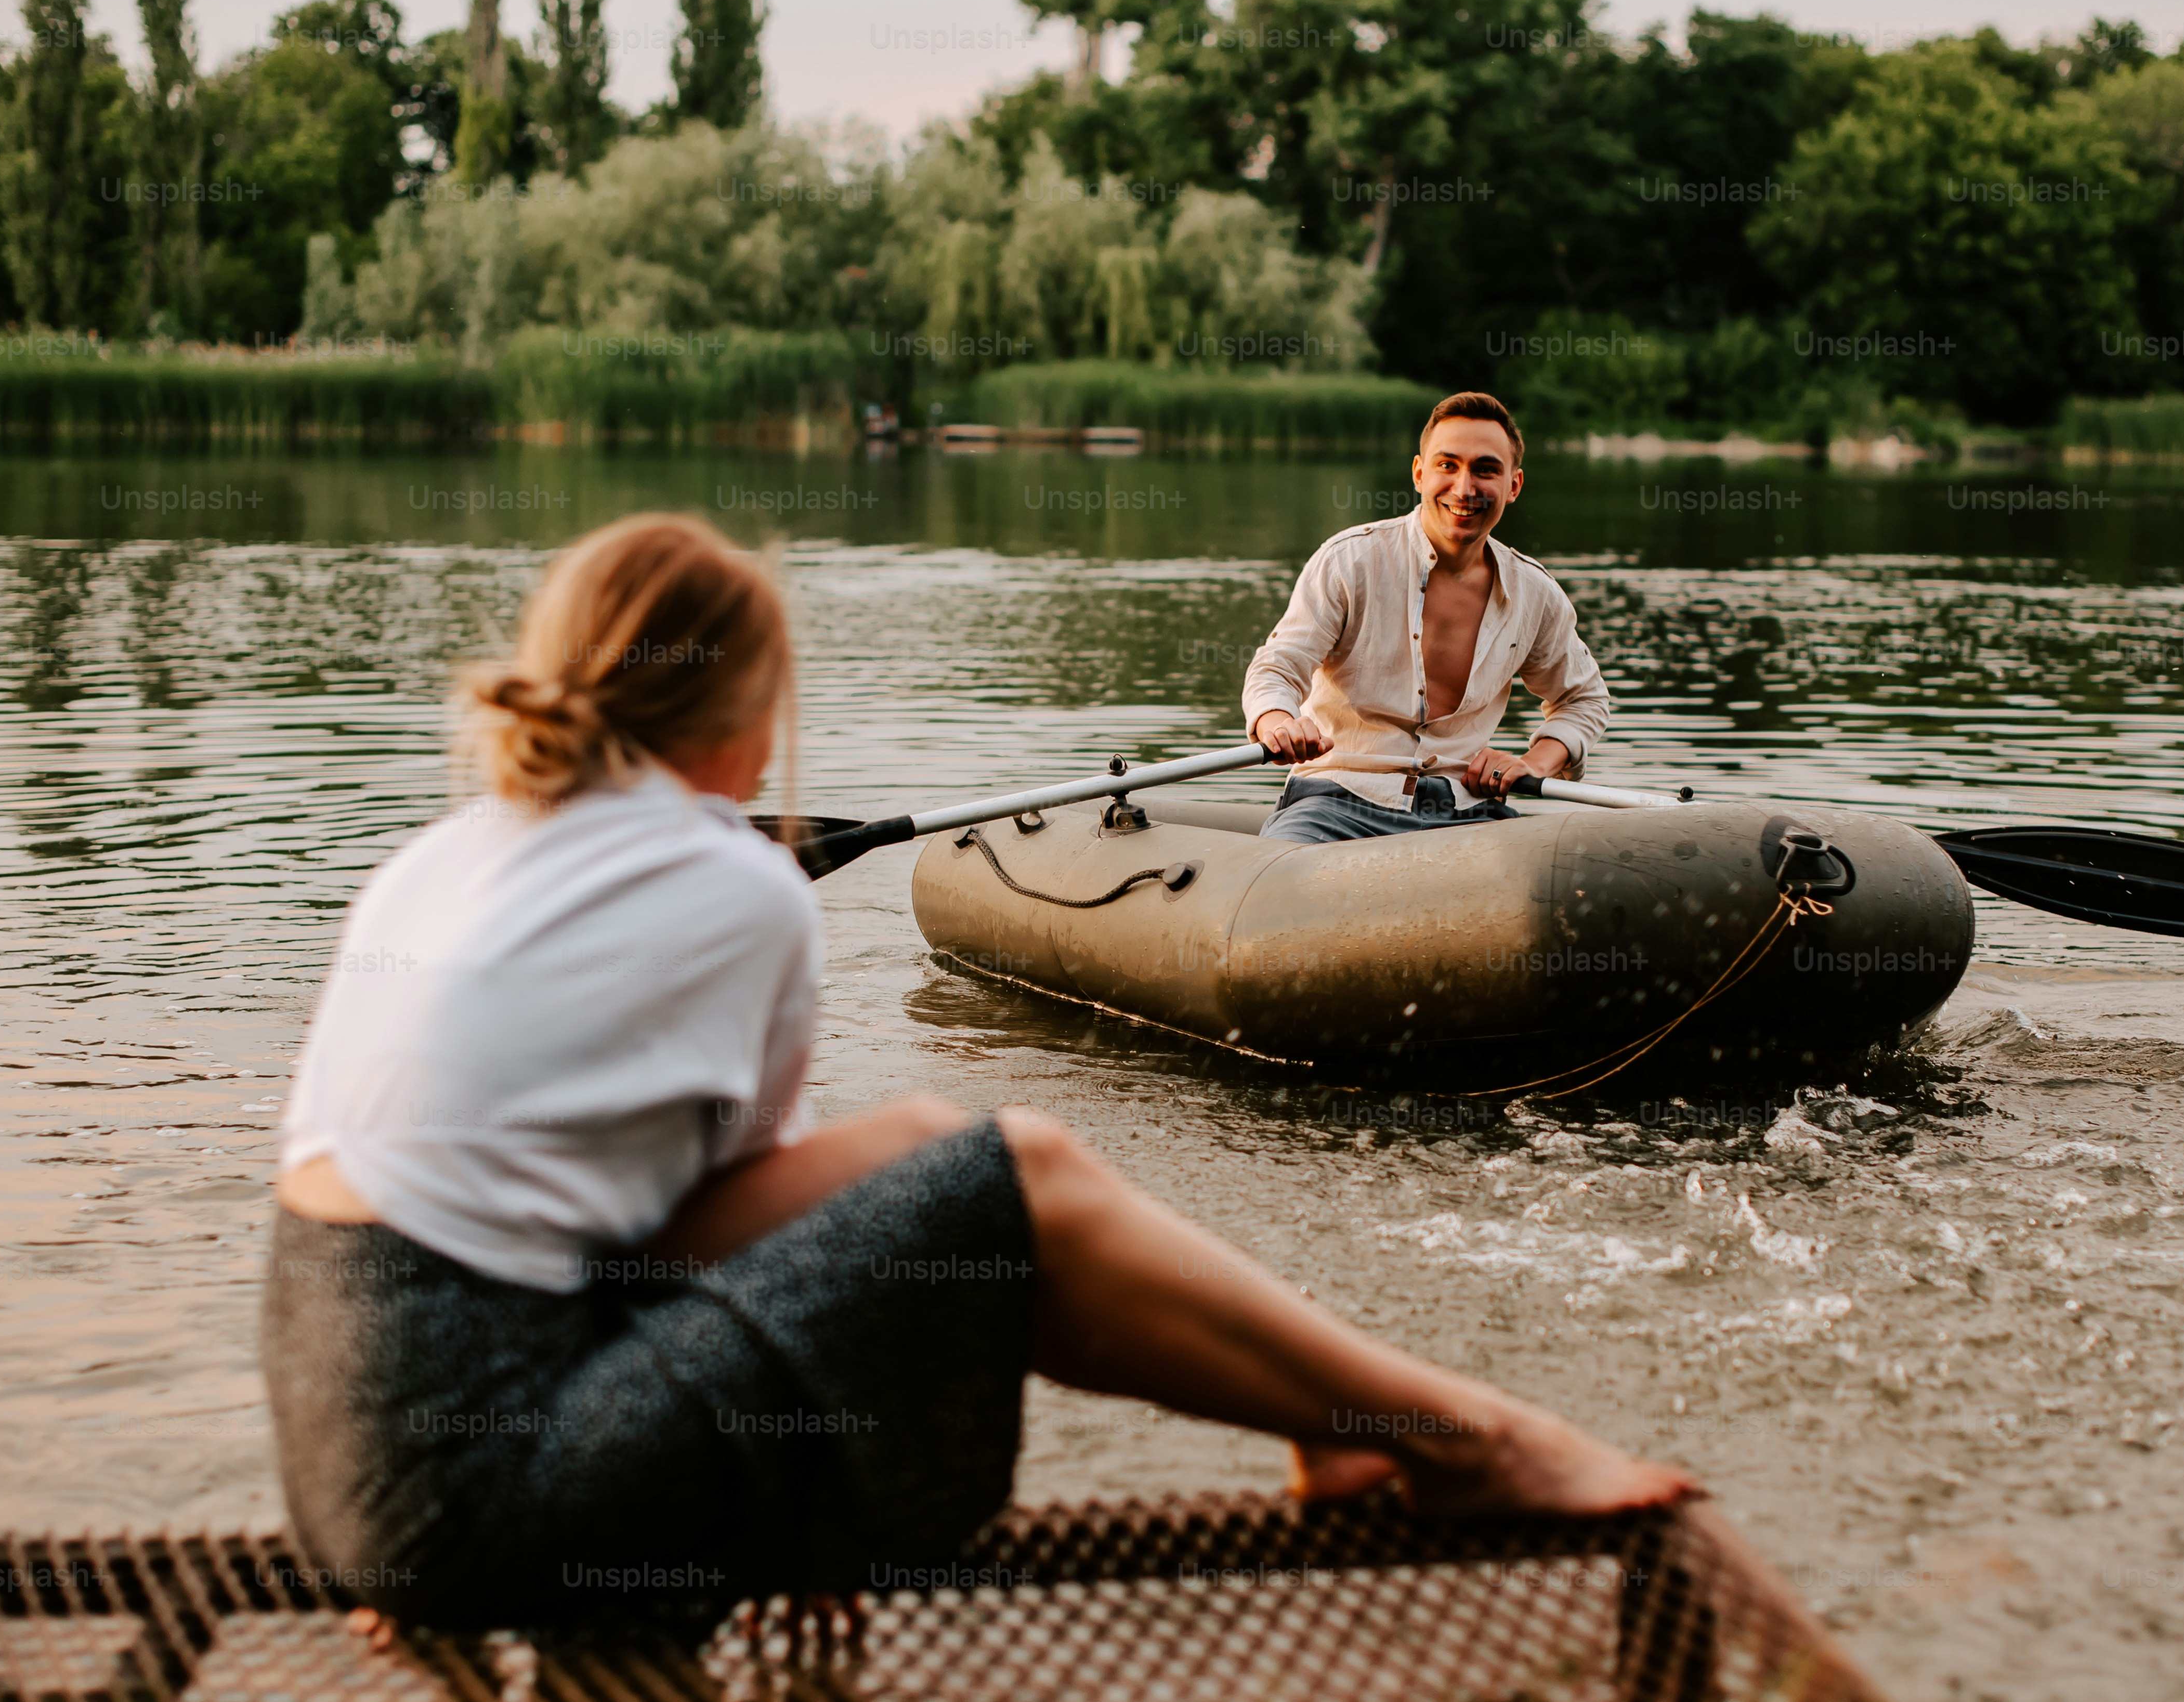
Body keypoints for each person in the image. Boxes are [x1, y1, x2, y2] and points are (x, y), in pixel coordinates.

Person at [263, 513, 1689, 1630]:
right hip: (486, 1481)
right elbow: (763, 1246)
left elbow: (658, 1227)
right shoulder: (727, 885)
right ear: (749, 716)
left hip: (355, 1467)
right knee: (1022, 1178)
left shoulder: (441, 860)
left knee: (923, 1147)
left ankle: (1343, 1428)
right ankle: (1465, 1436)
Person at [1244, 392, 1611, 842]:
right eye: (1448, 465)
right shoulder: (1349, 561)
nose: (1465, 488)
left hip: (1468, 812)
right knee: (1281, 881)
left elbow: (1584, 699)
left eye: (1486, 470)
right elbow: (1276, 668)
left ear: (1513, 486)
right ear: (1420, 474)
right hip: (1336, 801)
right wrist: (1280, 724)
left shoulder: (1537, 594)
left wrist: (1534, 763)